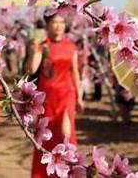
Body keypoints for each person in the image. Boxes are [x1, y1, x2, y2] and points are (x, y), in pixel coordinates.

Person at [27, 13, 84, 178]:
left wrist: (79, 96)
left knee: (66, 132)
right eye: (54, 22)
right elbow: (32, 69)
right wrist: (34, 51)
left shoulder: (71, 46)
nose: (58, 25)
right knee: (47, 134)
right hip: (47, 95)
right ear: (47, 25)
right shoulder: (43, 46)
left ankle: (69, 168)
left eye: (61, 22)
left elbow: (74, 72)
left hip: (67, 93)